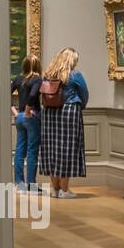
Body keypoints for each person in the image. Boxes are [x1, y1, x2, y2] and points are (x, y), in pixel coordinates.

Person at [39, 46, 89, 198]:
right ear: (72, 60)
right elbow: (84, 95)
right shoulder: (75, 75)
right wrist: (80, 106)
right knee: (66, 149)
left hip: (48, 113)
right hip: (69, 112)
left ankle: (55, 190)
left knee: (51, 149)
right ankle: (64, 191)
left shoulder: (48, 74)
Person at [11, 55, 43, 192]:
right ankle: (31, 185)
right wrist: (29, 110)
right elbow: (33, 95)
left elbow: (6, 93)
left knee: (19, 150)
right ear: (37, 65)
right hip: (32, 116)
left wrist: (15, 111)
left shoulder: (18, 79)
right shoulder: (37, 79)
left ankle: (19, 184)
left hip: (19, 117)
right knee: (32, 151)